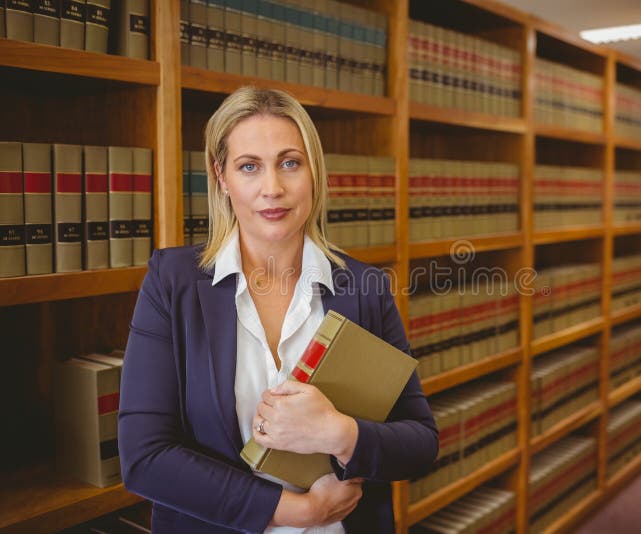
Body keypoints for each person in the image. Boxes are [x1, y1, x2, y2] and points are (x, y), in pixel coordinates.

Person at [118, 86, 438, 533]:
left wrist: (339, 432)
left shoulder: (364, 288)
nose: (273, 189)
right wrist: (297, 511)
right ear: (222, 177)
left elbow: (421, 443)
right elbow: (144, 458)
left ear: (314, 172)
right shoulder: (172, 283)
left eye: (290, 163)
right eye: (249, 166)